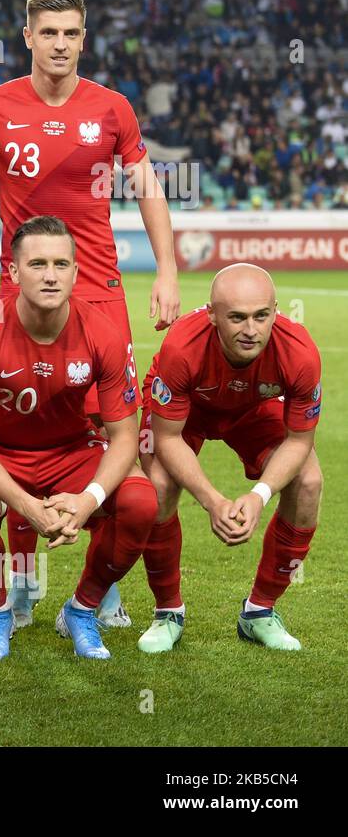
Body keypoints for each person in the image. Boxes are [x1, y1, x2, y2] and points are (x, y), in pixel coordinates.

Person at [0, 0, 180, 627]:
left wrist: (168, 271)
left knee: (107, 435)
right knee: (19, 433)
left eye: (71, 33)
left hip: (98, 293)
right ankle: (26, 580)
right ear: (28, 37)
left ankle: (101, 587)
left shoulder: (112, 108)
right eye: (49, 33)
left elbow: (148, 188)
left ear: (82, 39)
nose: (60, 44)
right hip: (22, 296)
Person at [0, 216, 157, 660]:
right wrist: (26, 506)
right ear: (13, 272)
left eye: (61, 264)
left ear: (77, 273)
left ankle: (81, 609)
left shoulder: (104, 331)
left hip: (70, 451)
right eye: (37, 263)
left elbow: (124, 437)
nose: (50, 275)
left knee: (141, 503)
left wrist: (88, 500)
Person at [138, 264, 321, 653]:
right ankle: (167, 611)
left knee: (308, 482)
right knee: (158, 486)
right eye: (236, 317)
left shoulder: (300, 352)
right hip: (190, 410)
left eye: (261, 316)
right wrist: (213, 501)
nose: (251, 330)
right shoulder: (181, 347)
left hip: (253, 408)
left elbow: (299, 440)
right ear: (211, 315)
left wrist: (259, 495)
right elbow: (168, 439)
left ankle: (259, 612)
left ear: (275, 311)